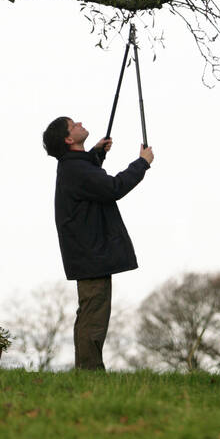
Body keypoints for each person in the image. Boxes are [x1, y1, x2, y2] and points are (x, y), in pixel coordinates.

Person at [42, 115, 153, 370]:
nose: (80, 124)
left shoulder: (73, 167)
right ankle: (90, 372)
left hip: (88, 255)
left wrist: (96, 153)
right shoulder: (76, 171)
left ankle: (86, 370)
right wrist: (142, 163)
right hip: (90, 256)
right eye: (73, 125)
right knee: (93, 317)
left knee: (90, 313)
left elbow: (89, 176)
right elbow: (113, 187)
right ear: (69, 139)